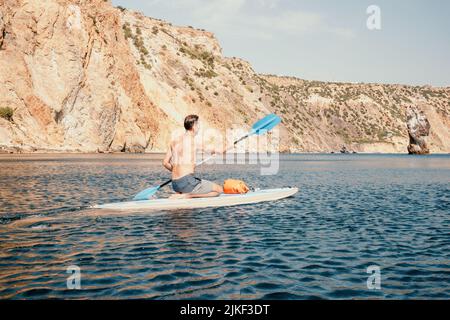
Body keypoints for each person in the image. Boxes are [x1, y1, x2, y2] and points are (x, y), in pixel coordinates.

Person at [163, 115, 224, 199]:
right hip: (187, 183)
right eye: (198, 125)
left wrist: (178, 172)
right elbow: (219, 150)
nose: (199, 127)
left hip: (175, 184)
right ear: (194, 126)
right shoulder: (194, 142)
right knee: (218, 191)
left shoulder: (174, 141)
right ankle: (188, 196)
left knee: (194, 182)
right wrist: (230, 146)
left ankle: (182, 194)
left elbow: (165, 163)